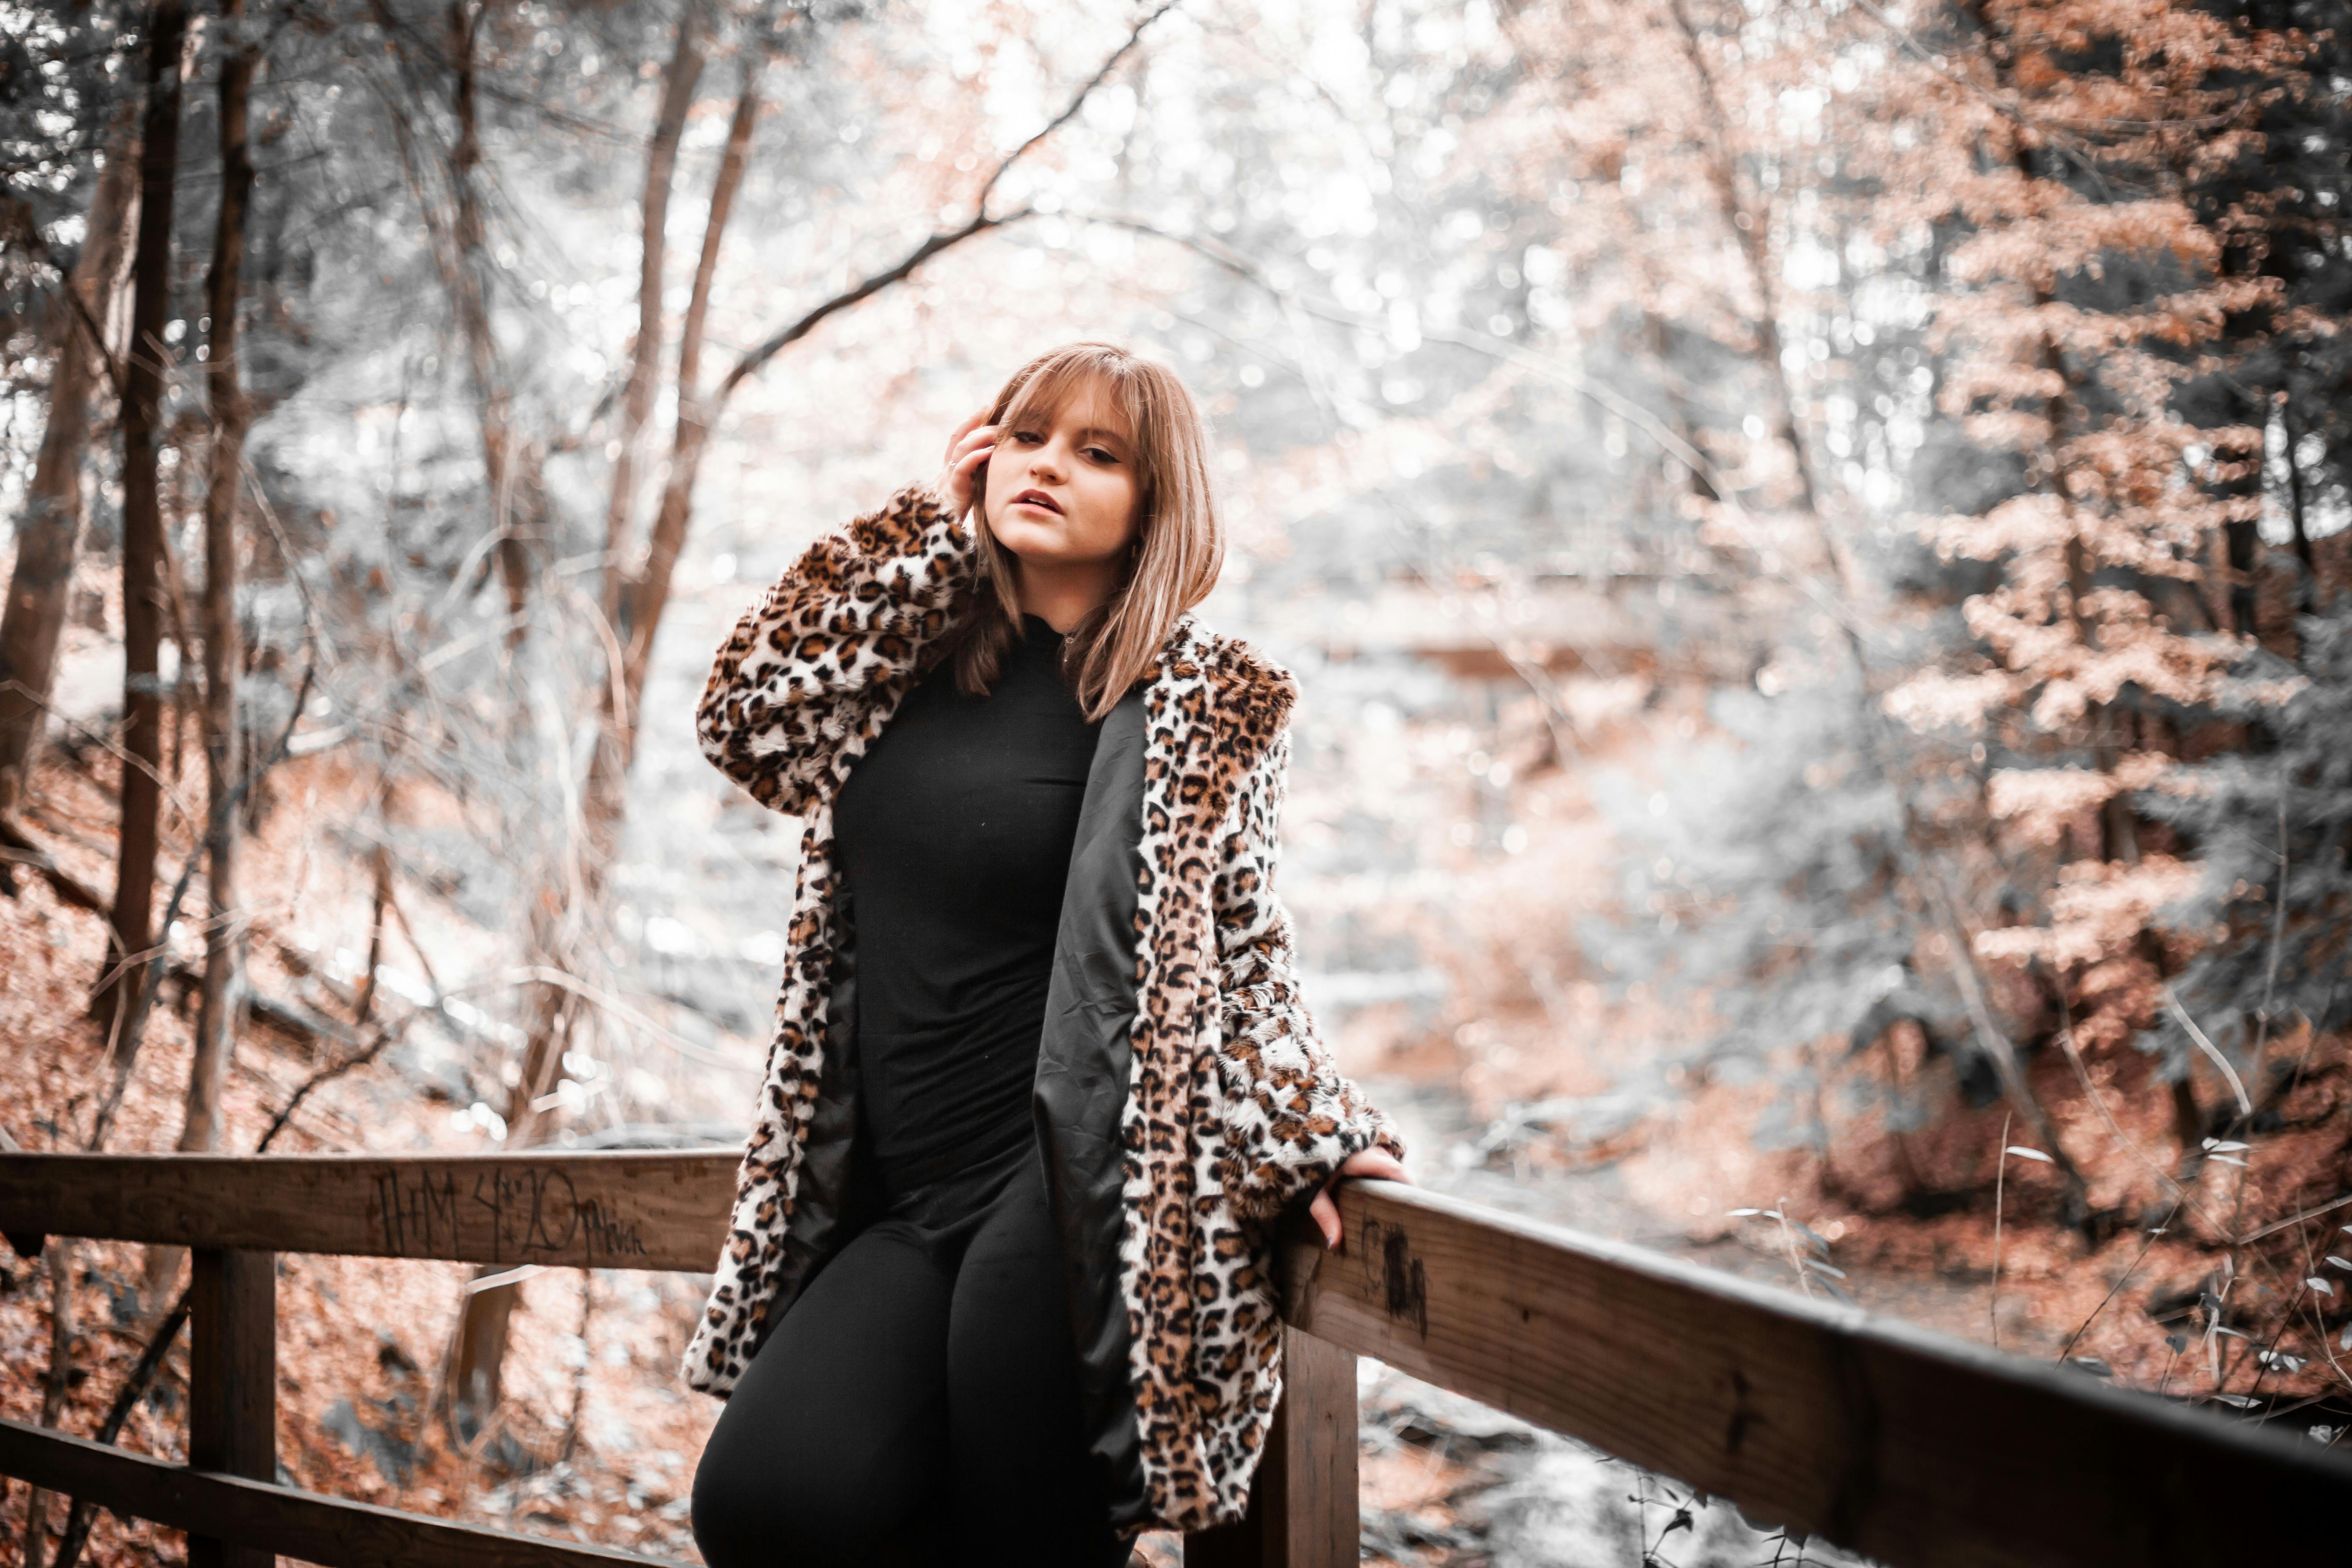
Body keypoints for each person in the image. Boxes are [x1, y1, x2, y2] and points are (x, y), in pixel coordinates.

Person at [684, 341, 1409, 1566]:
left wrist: (1311, 1127)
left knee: (1025, 1535)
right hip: (907, 1192)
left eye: (1097, 452)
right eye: (1026, 437)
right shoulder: (907, 664)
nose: (1048, 467)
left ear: (1153, 499)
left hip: (1068, 1184)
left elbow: (1237, 943)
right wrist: (926, 529)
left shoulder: (1198, 700)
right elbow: (742, 717)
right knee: (764, 1506)